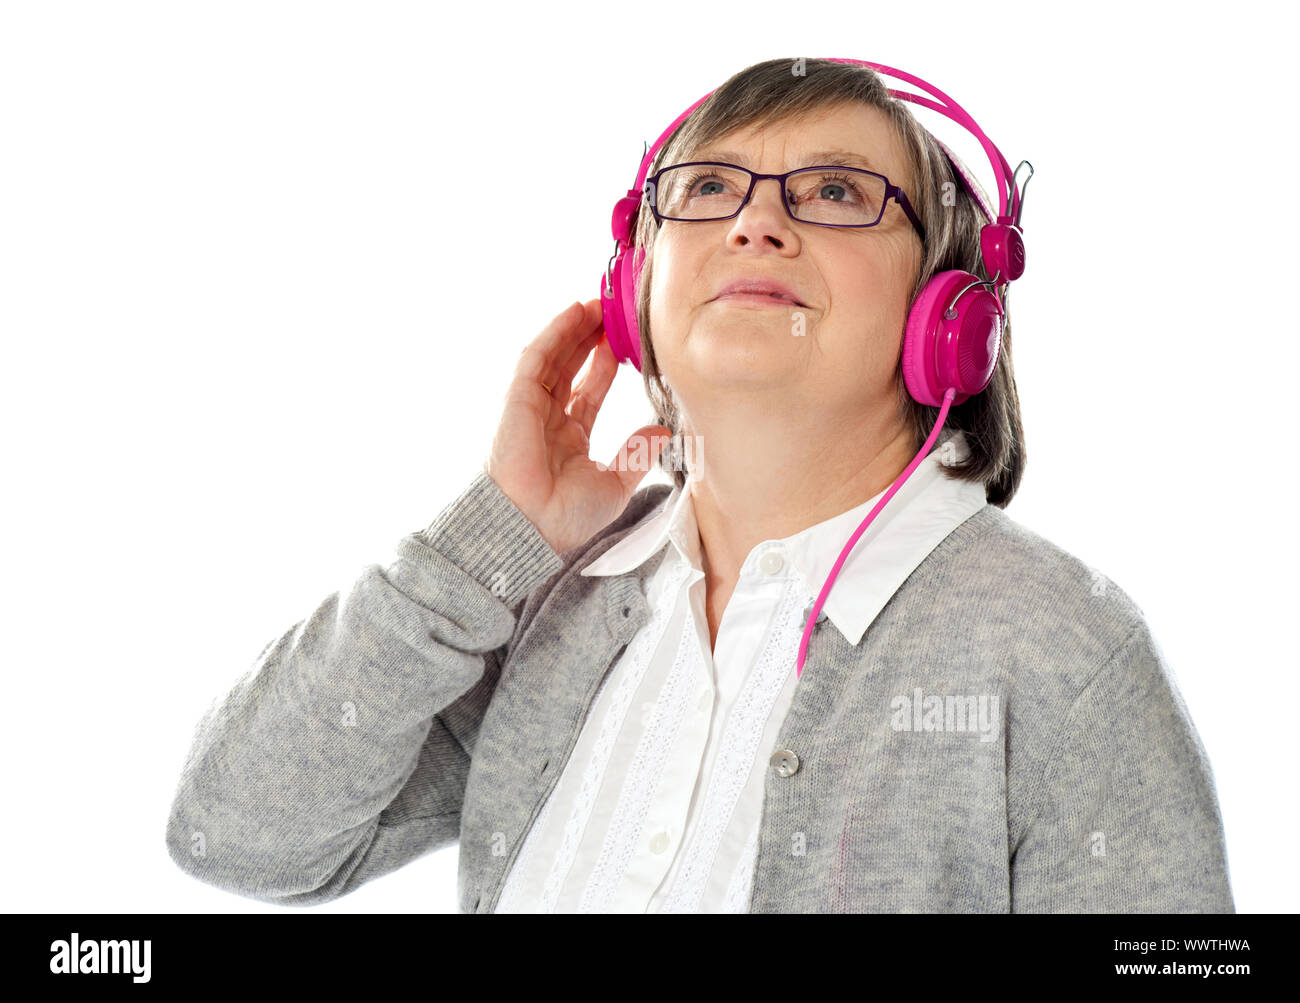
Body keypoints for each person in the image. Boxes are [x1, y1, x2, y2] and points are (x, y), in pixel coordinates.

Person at [165, 57, 1234, 912]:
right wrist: (487, 543)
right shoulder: (559, 602)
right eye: (709, 187)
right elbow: (240, 834)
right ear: (636, 294)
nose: (753, 224)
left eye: (835, 192)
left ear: (946, 317)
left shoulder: (1059, 645)